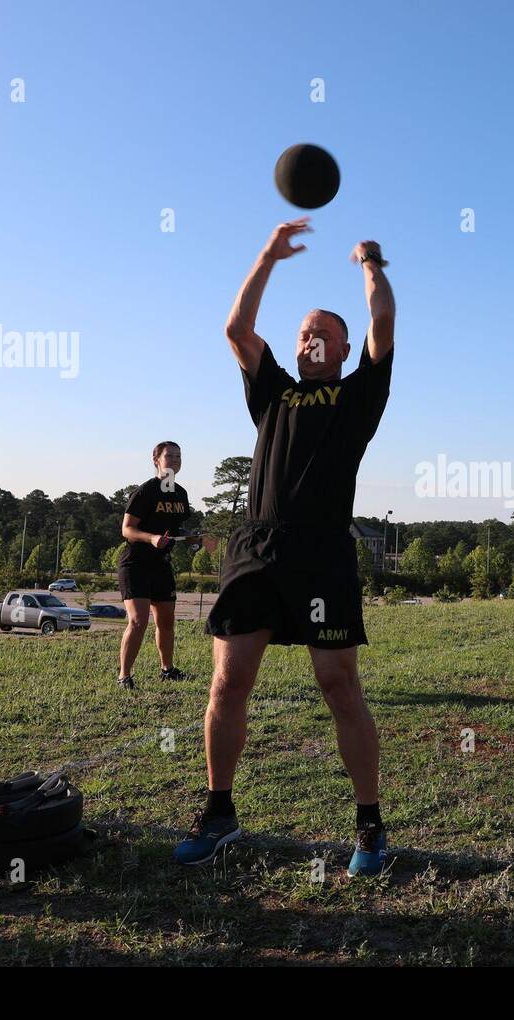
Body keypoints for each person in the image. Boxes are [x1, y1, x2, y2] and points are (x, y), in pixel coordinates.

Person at [173, 218, 396, 877]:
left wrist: (370, 263)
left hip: (323, 556)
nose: (309, 341)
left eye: (322, 333)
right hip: (256, 552)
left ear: (344, 347)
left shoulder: (359, 396)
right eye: (302, 333)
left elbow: (383, 321)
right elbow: (236, 329)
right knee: (228, 681)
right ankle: (219, 814)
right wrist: (267, 256)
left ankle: (369, 826)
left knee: (339, 685)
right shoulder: (273, 392)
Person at [117, 441, 190, 689]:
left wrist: (197, 539)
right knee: (138, 621)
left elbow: (178, 530)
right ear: (156, 459)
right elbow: (127, 529)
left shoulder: (180, 494)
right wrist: (151, 538)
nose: (175, 460)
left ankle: (167, 670)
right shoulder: (145, 492)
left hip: (161, 564)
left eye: (179, 456)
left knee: (166, 621)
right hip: (136, 564)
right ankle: (124, 676)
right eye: (170, 455)